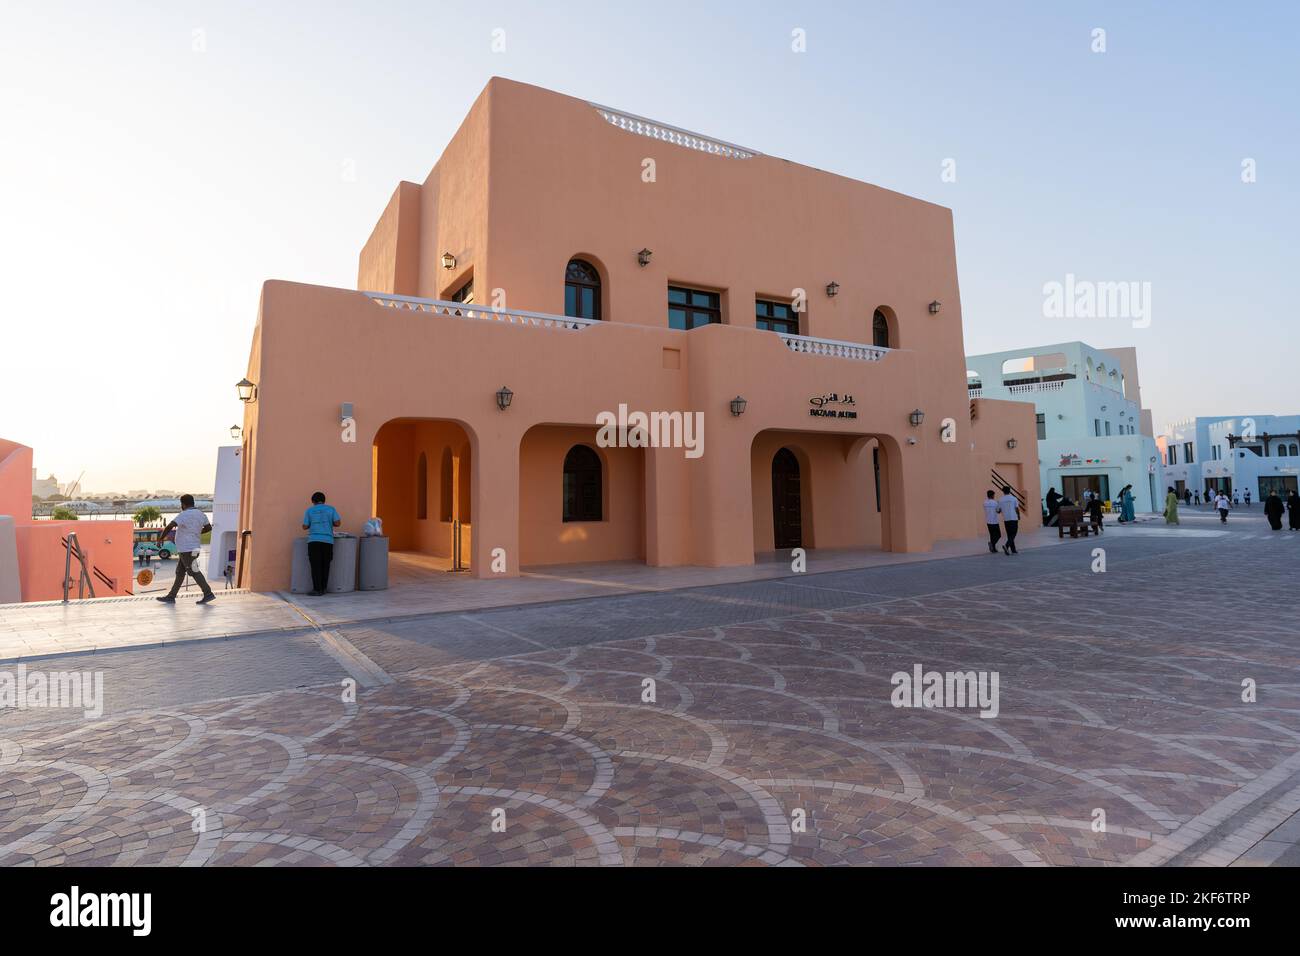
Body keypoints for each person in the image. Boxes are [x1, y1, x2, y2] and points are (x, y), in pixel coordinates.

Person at [155, 494, 216, 604]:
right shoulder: (201, 514)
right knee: (180, 572)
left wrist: (160, 539)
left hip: (187, 549)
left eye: (181, 504)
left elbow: (170, 526)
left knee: (193, 571)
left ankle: (208, 593)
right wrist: (196, 532)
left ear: (183, 504)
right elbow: (208, 528)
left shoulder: (184, 515)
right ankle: (171, 596)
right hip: (192, 547)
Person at [302, 491, 342, 596]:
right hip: (327, 541)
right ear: (324, 501)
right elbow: (338, 523)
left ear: (313, 501)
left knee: (315, 565)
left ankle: (317, 589)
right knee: (326, 565)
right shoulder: (331, 509)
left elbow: (305, 526)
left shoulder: (309, 511)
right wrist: (329, 522)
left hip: (314, 541)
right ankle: (324, 588)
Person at [999, 485, 1020, 555]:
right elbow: (1016, 508)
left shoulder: (1000, 500)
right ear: (1010, 491)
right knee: (1014, 533)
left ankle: (1013, 549)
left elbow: (998, 510)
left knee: (1009, 534)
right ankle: (1006, 545)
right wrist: (1018, 515)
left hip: (1006, 519)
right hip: (1013, 518)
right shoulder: (1014, 498)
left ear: (1003, 491)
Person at [982, 490, 1002, 554]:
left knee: (992, 535)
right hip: (995, 521)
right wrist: (1000, 508)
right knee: (998, 535)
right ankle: (992, 544)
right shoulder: (995, 503)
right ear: (992, 495)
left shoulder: (985, 503)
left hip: (988, 521)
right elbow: (998, 511)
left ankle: (993, 548)